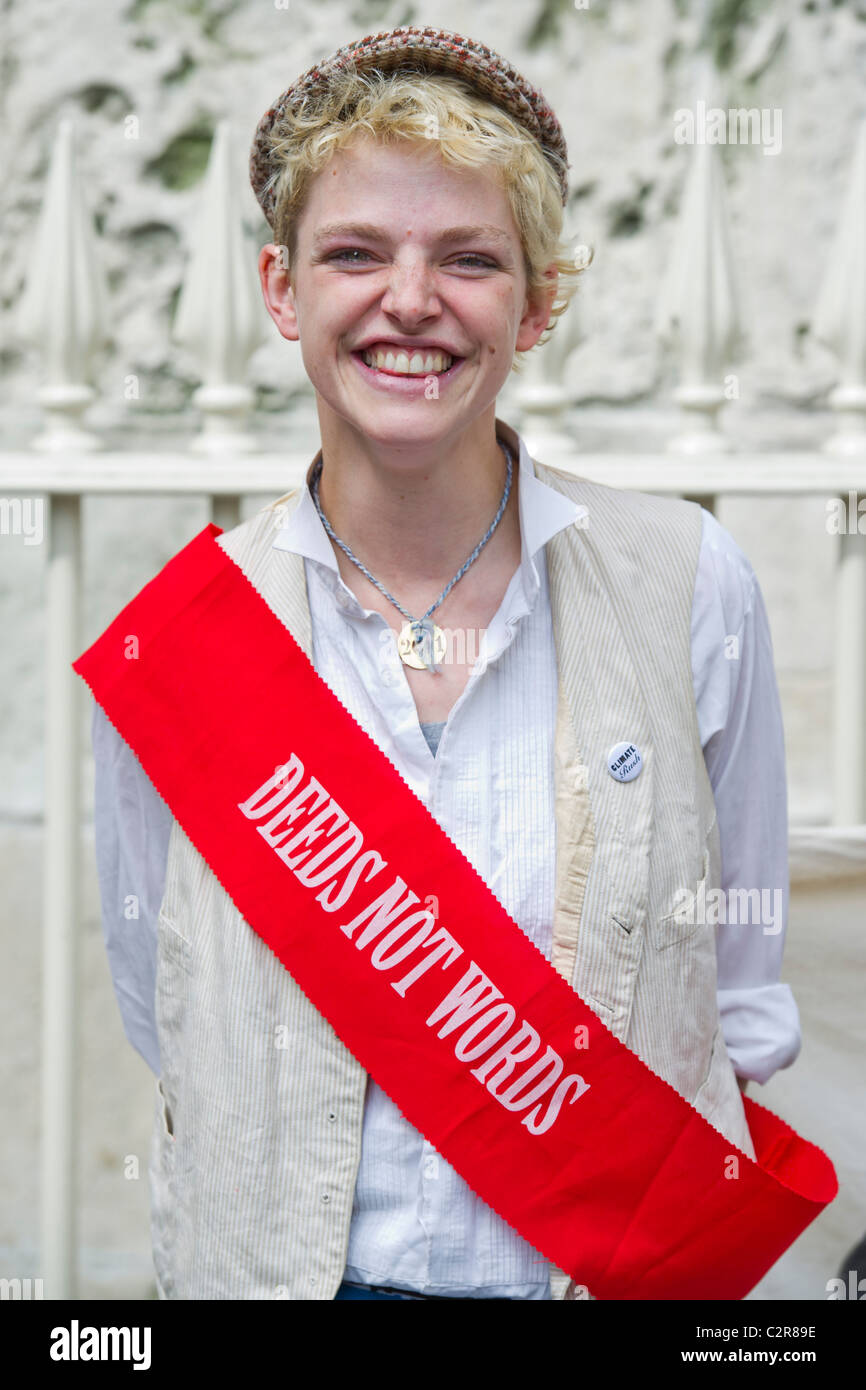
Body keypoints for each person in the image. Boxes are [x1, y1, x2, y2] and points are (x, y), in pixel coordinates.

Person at [88, 26, 801, 1300]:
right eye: (354, 253)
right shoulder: (183, 645)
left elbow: (730, 1001)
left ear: (533, 304)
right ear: (280, 290)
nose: (408, 301)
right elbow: (175, 1018)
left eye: (466, 260)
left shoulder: (690, 586)